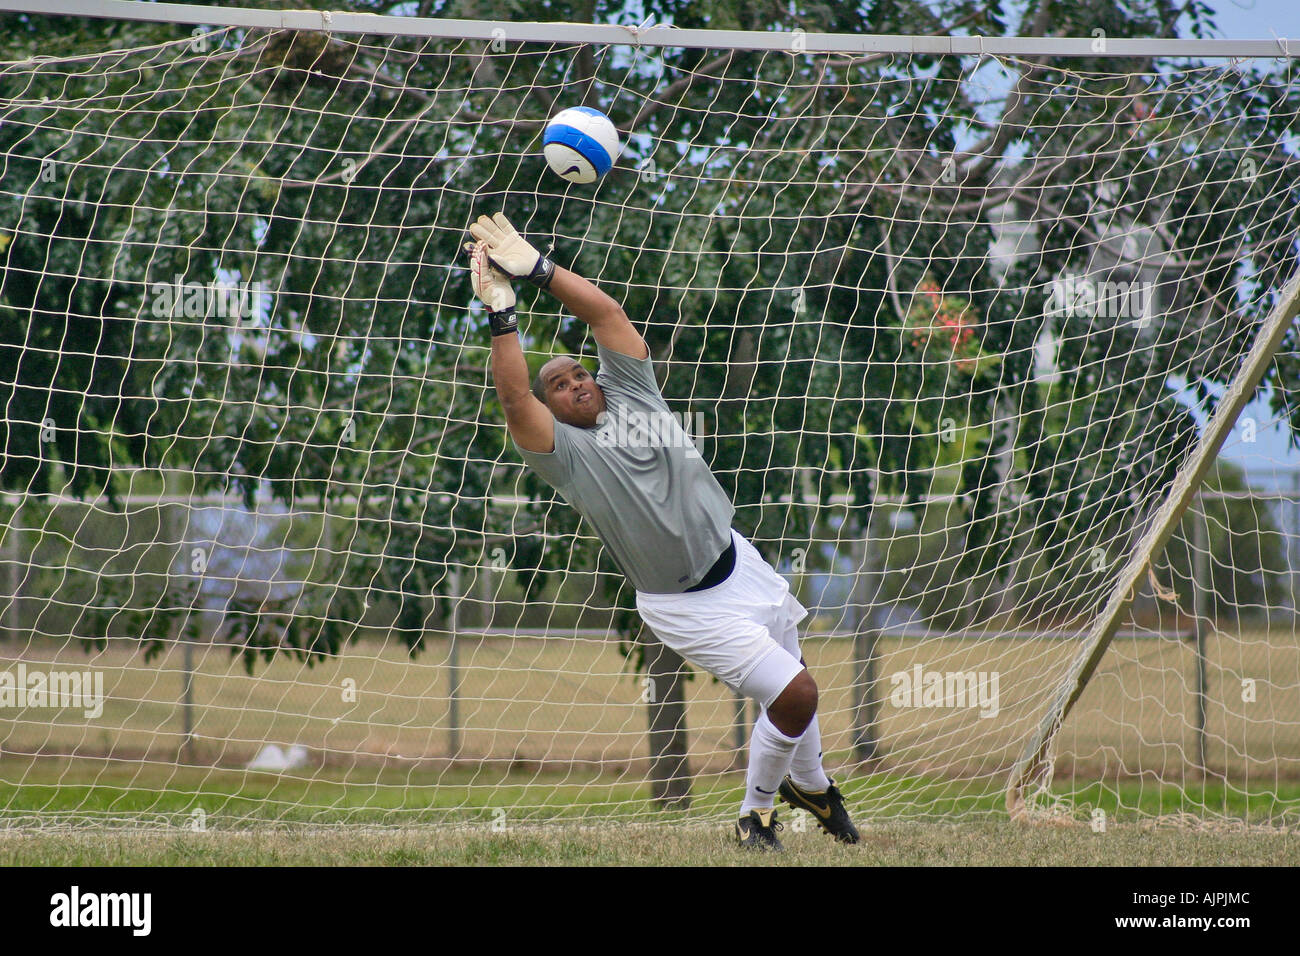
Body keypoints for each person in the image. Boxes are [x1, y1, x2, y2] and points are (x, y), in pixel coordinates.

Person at [464, 211, 858, 850]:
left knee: (796, 689)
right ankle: (755, 817)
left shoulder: (635, 392)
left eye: (578, 374)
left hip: (739, 560)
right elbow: (513, 399)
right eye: (558, 386)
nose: (573, 386)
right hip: (685, 604)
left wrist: (538, 268)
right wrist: (503, 311)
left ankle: (811, 784)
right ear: (554, 407)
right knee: (796, 693)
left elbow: (606, 314)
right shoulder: (564, 452)